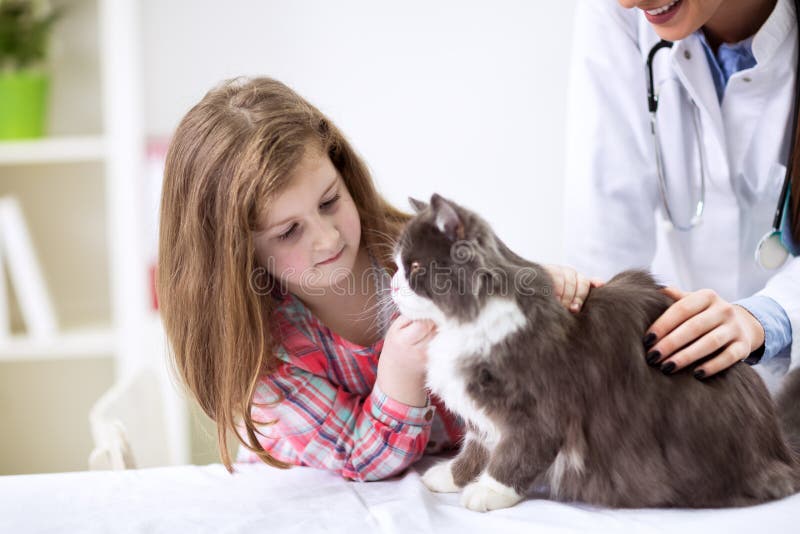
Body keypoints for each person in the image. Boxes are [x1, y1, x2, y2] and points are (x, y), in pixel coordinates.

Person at [157, 77, 589, 481]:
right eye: (288, 232)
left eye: (329, 201)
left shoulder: (412, 251)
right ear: (238, 254)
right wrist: (400, 370)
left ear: (343, 173)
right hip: (318, 506)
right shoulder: (265, 356)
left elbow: (515, 370)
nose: (328, 238)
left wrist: (529, 294)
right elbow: (360, 456)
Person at [565, 0, 799, 383]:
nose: (628, 1)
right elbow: (605, 239)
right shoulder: (614, 13)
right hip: (674, 387)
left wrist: (771, 316)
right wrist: (599, 359)